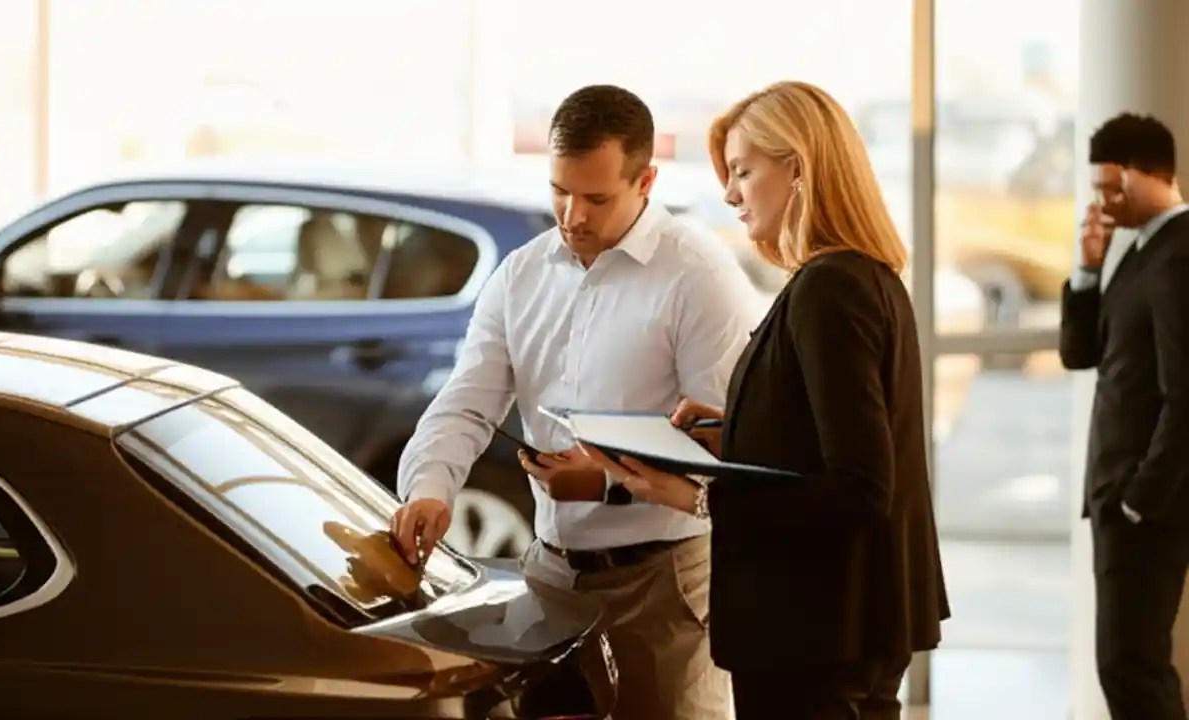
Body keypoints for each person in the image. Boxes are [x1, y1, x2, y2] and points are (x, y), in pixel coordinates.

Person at [581, 80, 950, 719]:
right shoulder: (867, 279)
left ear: (799, 169)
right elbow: (830, 435)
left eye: (744, 171)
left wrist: (695, 494)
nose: (729, 194)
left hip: (813, 632)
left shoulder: (829, 290)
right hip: (844, 624)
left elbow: (861, 486)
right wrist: (732, 430)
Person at [391, 84, 761, 719]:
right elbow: (467, 402)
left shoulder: (698, 274)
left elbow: (730, 447)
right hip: (549, 578)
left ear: (646, 181)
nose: (573, 216)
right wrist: (430, 486)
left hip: (665, 583)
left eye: (596, 198)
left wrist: (607, 483)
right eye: (559, 191)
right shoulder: (520, 275)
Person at [1059, 112, 1189, 720]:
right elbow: (1080, 353)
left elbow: (1184, 394)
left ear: (1142, 175)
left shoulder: (1179, 253)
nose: (1102, 202)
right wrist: (1089, 267)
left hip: (1143, 505)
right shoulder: (1141, 250)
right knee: (1126, 663)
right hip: (1125, 499)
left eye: (1109, 186)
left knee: (1130, 666)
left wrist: (1142, 499)